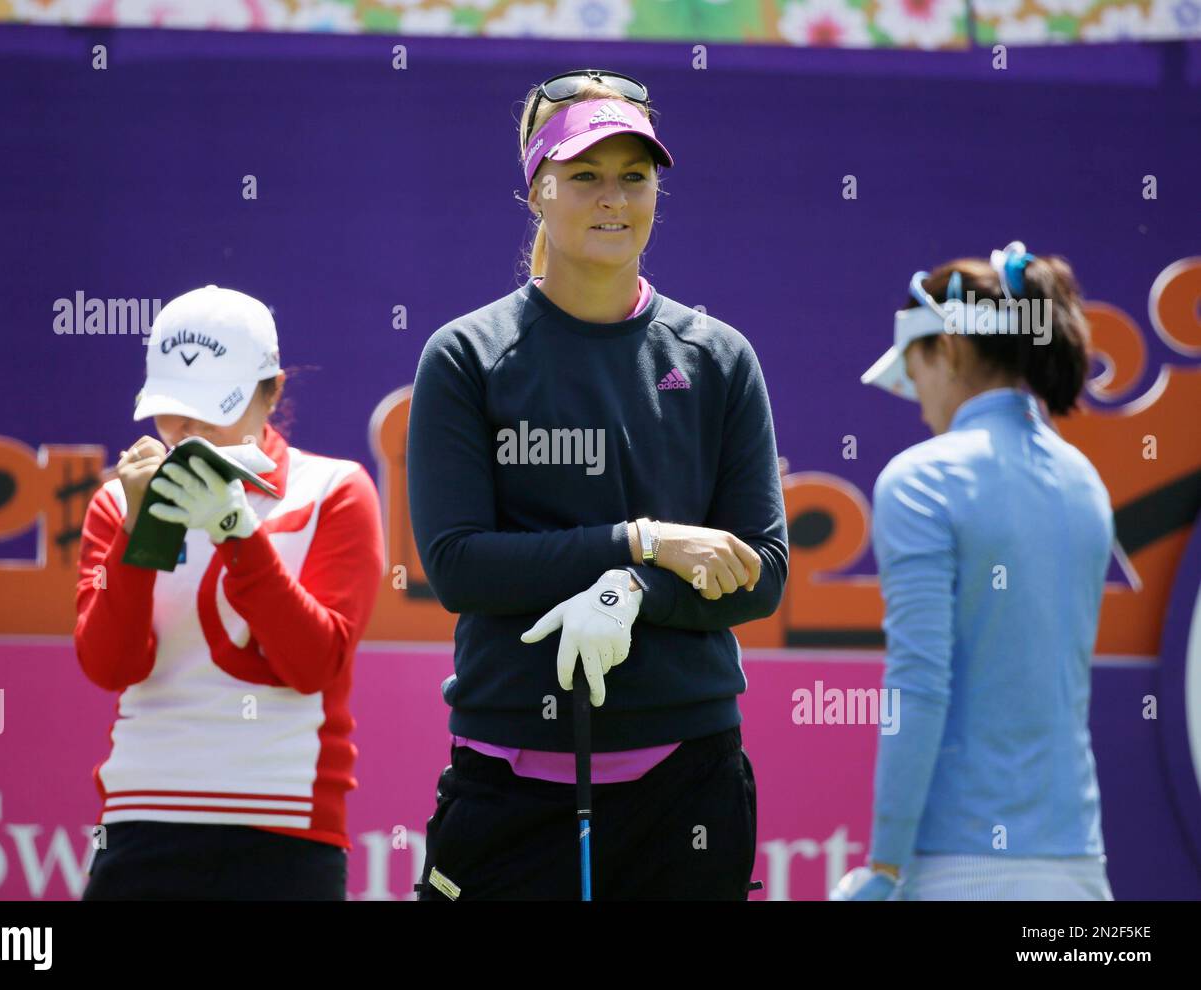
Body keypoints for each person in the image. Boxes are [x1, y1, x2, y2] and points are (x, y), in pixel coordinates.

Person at [407, 69, 789, 900]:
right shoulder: (467, 355)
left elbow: (761, 570)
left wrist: (631, 594)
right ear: (538, 189)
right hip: (509, 782)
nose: (612, 198)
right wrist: (639, 545)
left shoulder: (719, 358)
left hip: (688, 782)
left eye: (634, 177)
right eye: (584, 176)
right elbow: (459, 565)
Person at [74, 284, 385, 900]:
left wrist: (236, 532)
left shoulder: (334, 490)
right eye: (171, 408)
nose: (184, 427)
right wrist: (139, 533)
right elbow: (111, 664)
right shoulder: (118, 499)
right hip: (143, 823)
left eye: (209, 406)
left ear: (270, 392)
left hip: (289, 831)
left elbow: (313, 663)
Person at [833, 242, 1114, 901]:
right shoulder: (1086, 484)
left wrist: (887, 865)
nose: (918, 398)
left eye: (916, 369)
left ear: (950, 349)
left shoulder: (919, 479)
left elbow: (919, 686)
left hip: (957, 872)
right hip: (1081, 875)